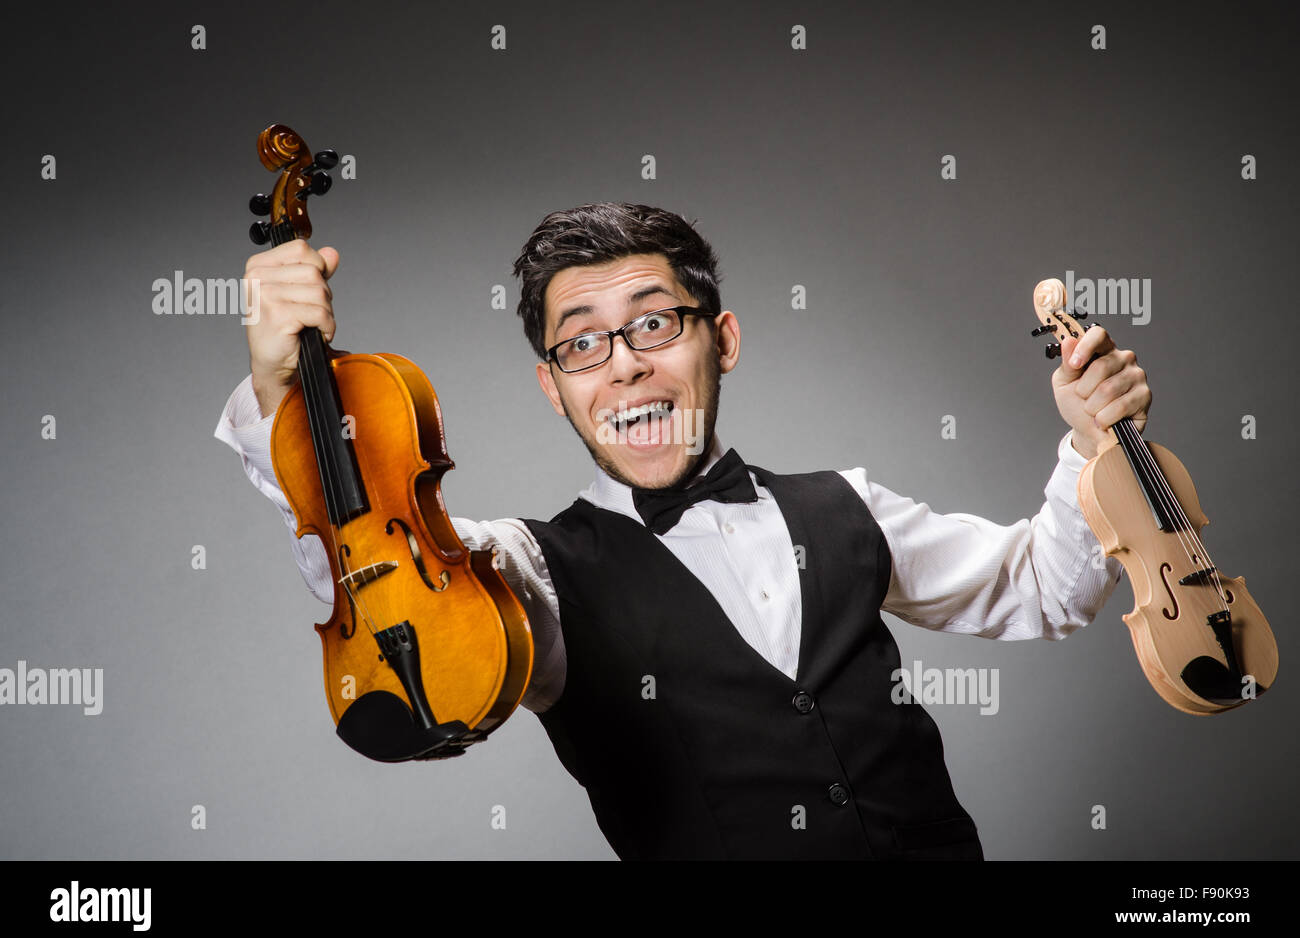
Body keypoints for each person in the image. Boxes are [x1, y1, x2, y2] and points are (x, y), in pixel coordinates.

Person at [215, 202, 1148, 860]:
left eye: (654, 322)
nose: (622, 366)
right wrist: (280, 392)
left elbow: (1047, 587)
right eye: (581, 341)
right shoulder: (530, 574)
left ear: (724, 340)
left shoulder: (846, 504)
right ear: (555, 387)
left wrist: (1086, 440)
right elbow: (375, 560)